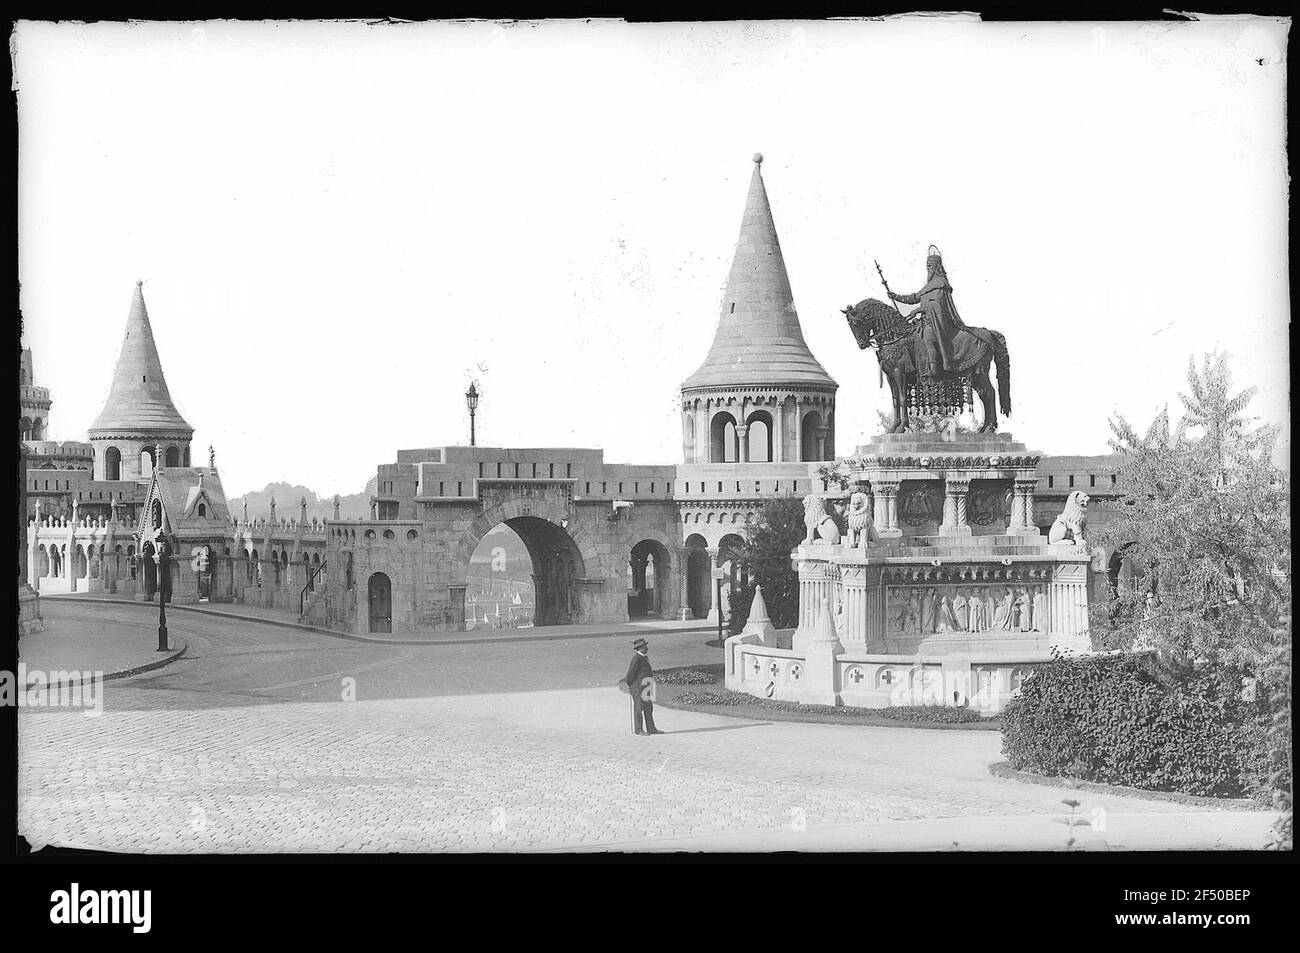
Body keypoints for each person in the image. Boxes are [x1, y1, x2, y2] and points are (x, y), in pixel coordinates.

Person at [888, 245, 988, 378]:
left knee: (929, 339)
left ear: (935, 268)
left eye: (930, 267)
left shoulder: (940, 283)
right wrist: (895, 296)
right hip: (926, 322)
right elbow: (913, 297)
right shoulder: (928, 286)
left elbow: (937, 307)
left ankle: (934, 369)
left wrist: (918, 310)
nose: (928, 270)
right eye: (927, 267)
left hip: (938, 324)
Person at [620, 638, 662, 736]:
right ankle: (639, 729)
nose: (647, 648)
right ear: (640, 648)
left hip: (646, 687)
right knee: (639, 708)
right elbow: (630, 673)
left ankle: (651, 728)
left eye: (646, 646)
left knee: (648, 708)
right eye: (645, 647)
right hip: (638, 688)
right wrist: (630, 684)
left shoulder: (644, 658)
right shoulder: (636, 659)